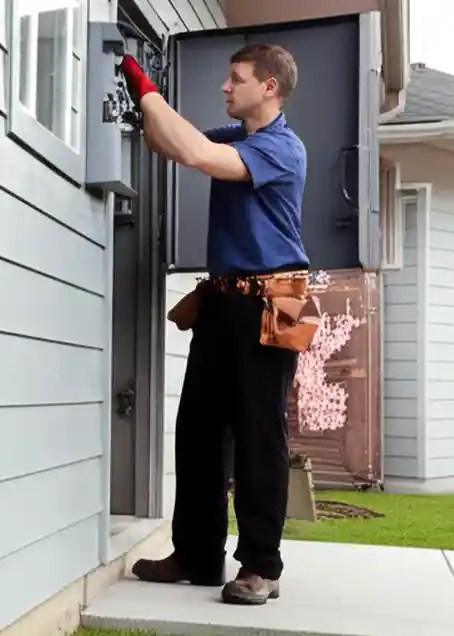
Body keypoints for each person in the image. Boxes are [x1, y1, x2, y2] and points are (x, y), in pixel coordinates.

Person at [121, 45, 308, 605]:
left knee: (258, 437)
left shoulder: (281, 148)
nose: (226, 87)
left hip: (268, 306)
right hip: (222, 303)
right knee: (199, 432)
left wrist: (147, 89)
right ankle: (198, 555)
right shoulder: (237, 137)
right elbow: (168, 141)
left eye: (237, 79)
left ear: (269, 87)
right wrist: (137, 95)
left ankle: (261, 567)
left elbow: (194, 152)